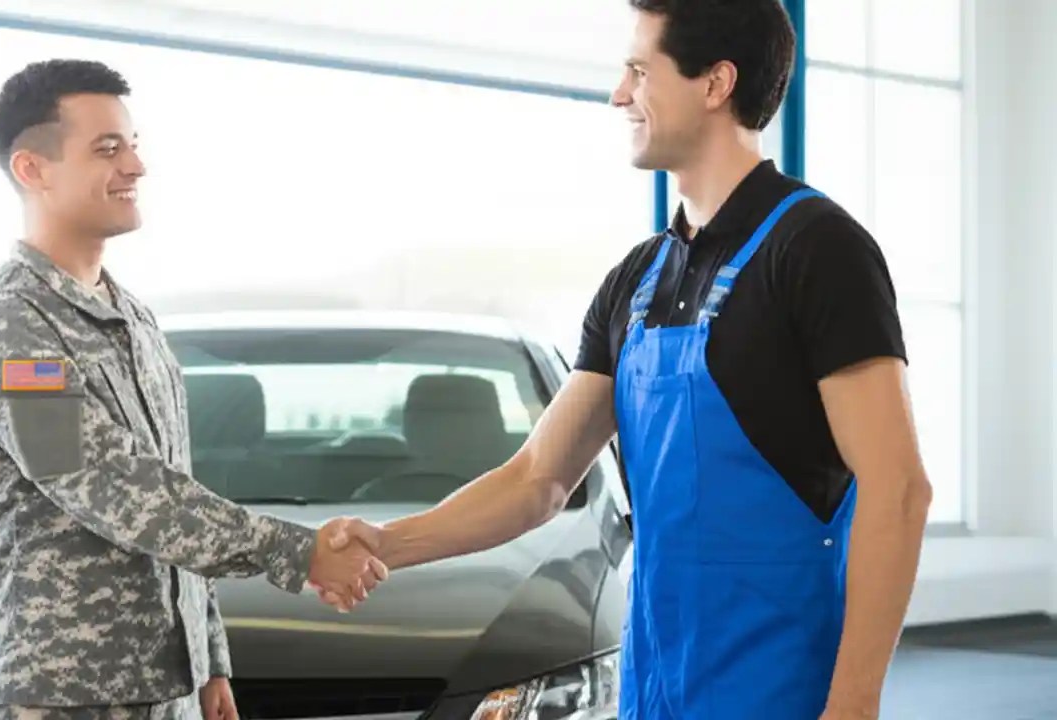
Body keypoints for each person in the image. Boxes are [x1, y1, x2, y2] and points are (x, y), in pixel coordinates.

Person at [320, 1, 933, 718]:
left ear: (715, 84)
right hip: (657, 686)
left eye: (640, 71)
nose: (619, 93)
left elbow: (899, 490)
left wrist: (854, 704)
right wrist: (387, 545)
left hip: (781, 690)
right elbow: (536, 479)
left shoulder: (816, 252)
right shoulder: (638, 280)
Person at [0, 59, 386, 720]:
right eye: (107, 149)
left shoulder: (133, 318)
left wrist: (208, 659)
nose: (136, 167)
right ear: (33, 169)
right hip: (51, 697)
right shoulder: (10, 327)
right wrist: (296, 550)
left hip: (163, 689)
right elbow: (105, 481)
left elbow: (172, 485)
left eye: (134, 145)